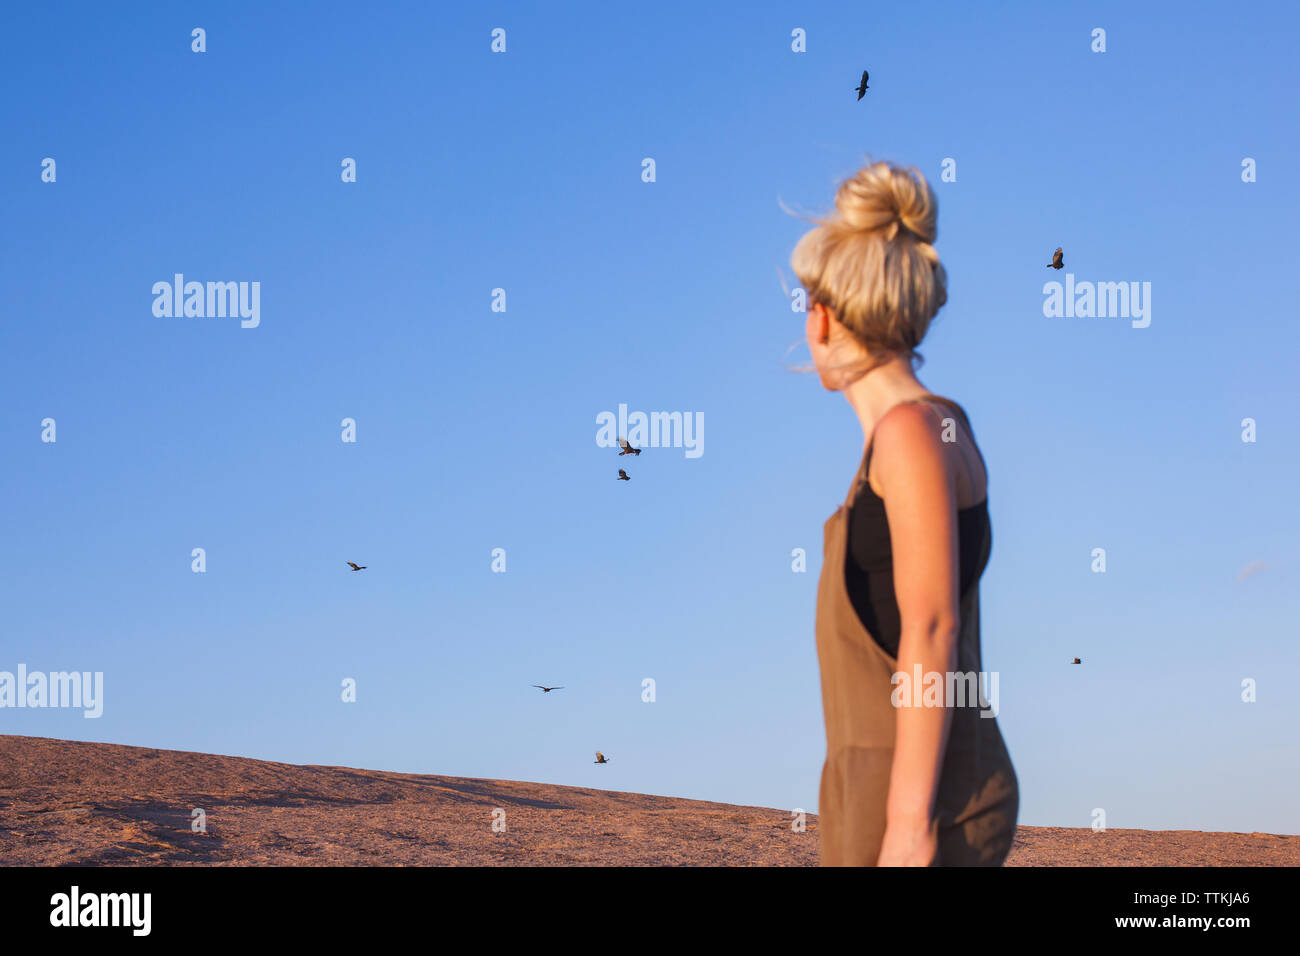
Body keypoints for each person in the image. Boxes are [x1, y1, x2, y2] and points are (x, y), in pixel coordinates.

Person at [790, 159, 1018, 866]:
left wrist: (908, 824)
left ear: (824, 319)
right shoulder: (934, 428)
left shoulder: (912, 434)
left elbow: (930, 626)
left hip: (919, 801)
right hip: (889, 790)